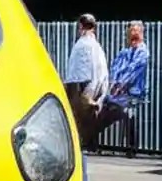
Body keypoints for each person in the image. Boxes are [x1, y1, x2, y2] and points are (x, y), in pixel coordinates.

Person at [93, 22, 149, 155]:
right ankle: (93, 141)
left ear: (142, 34)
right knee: (100, 107)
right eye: (131, 33)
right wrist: (114, 84)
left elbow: (133, 72)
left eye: (136, 32)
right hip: (119, 92)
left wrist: (119, 86)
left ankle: (132, 147)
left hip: (134, 92)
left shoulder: (143, 53)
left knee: (128, 113)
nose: (133, 36)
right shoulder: (124, 52)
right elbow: (114, 68)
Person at [63, 13, 109, 145]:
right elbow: (103, 72)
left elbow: (77, 74)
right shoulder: (97, 47)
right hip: (96, 90)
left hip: (83, 91)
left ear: (81, 26)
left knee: (77, 125)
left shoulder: (81, 45)